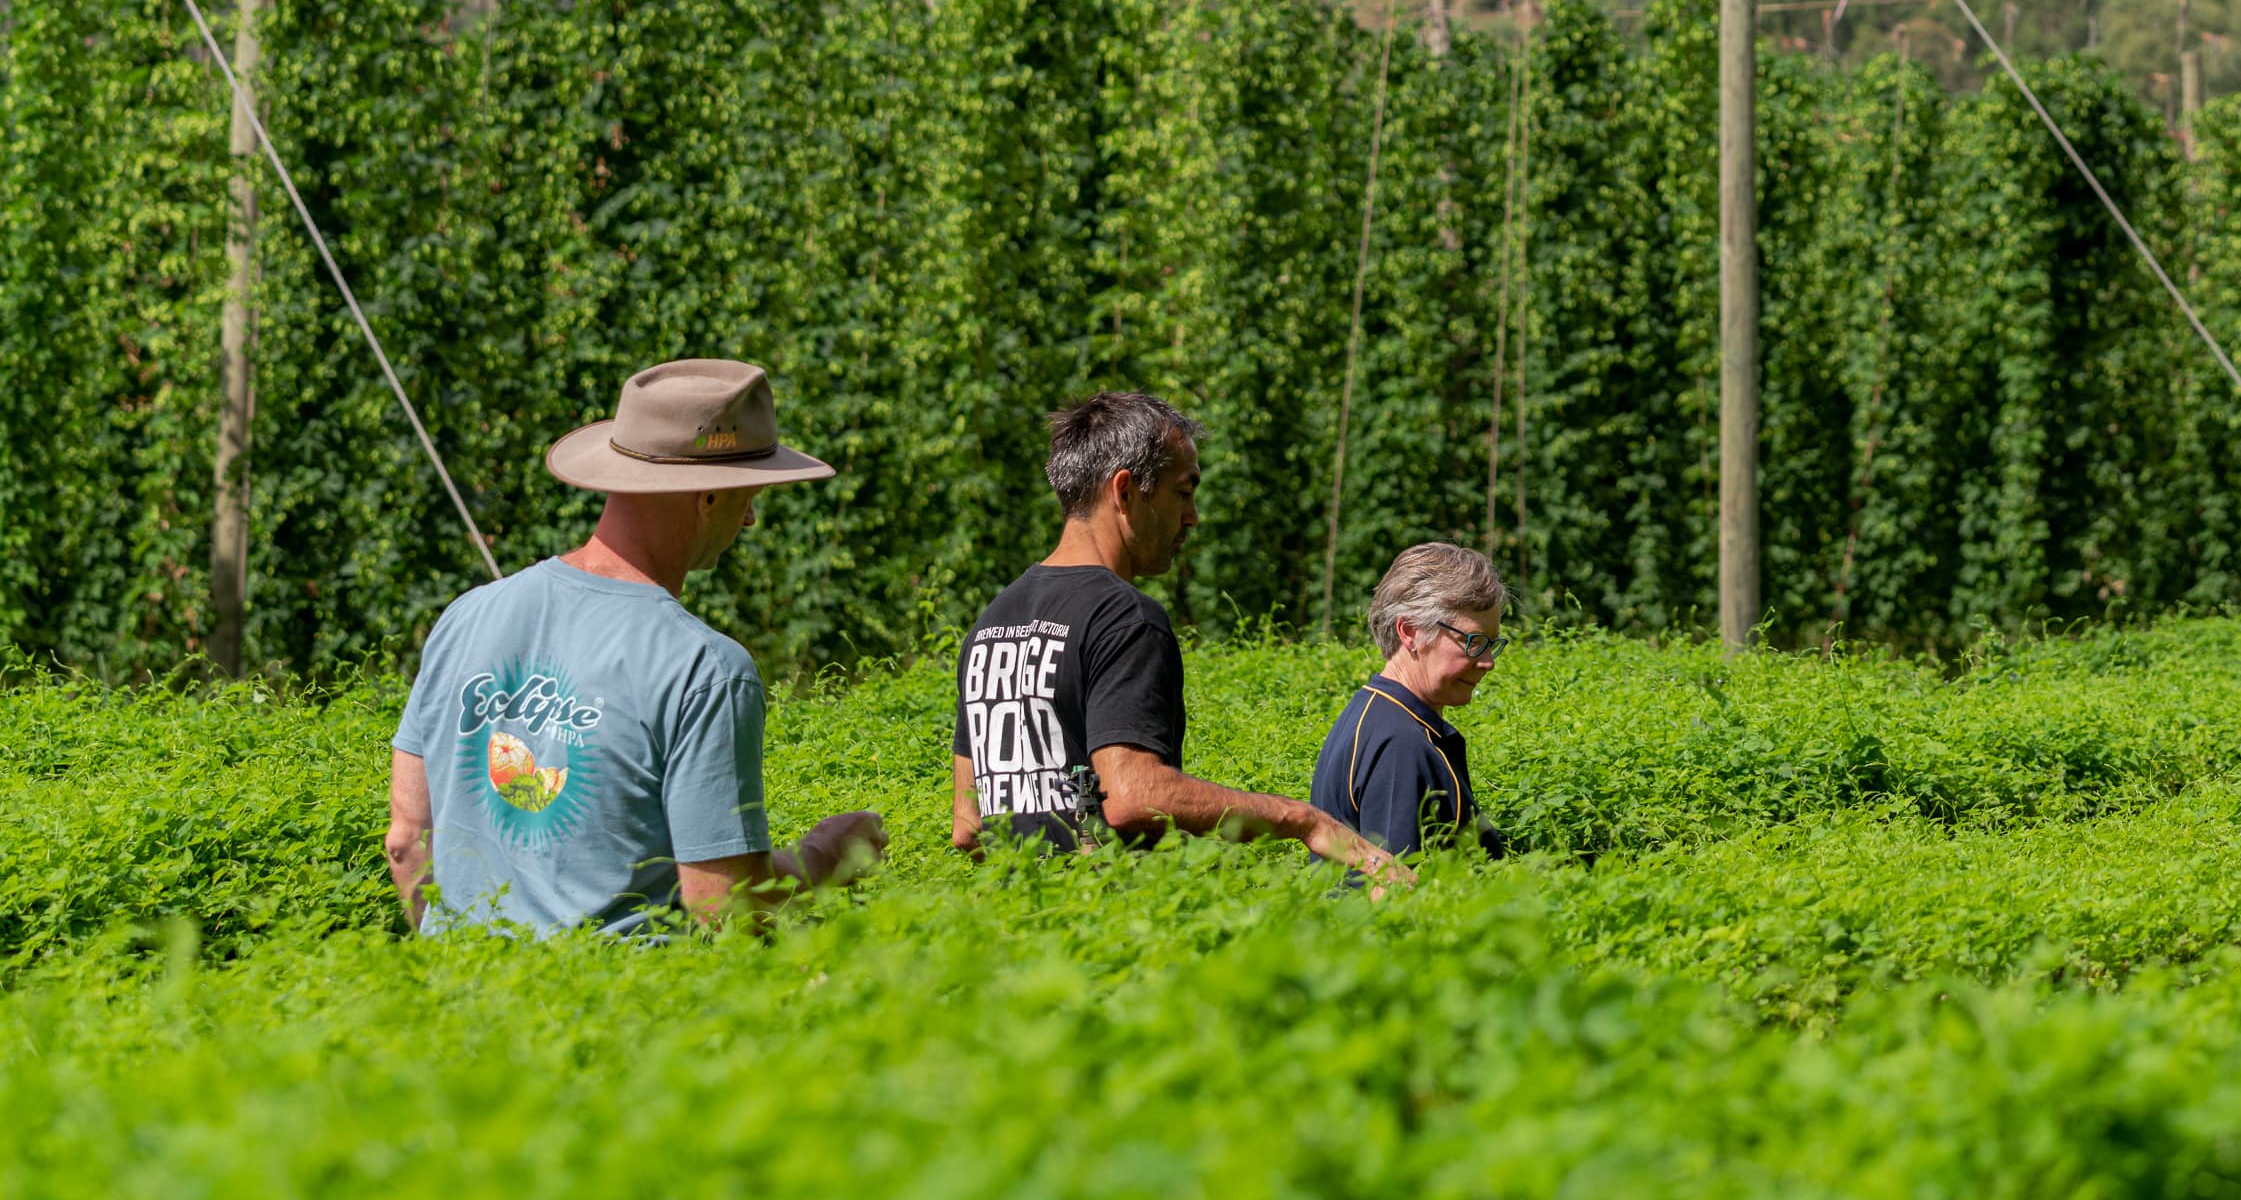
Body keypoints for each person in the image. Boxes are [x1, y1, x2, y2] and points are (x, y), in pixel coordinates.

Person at [384, 359, 889, 936]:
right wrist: (826, 855)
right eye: (746, 495)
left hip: (450, 1007)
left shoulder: (465, 616)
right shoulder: (705, 668)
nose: (749, 519)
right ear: (705, 496)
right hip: (607, 1013)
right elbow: (722, 905)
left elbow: (406, 842)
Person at [951, 390, 1390, 874]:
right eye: (1183, 492)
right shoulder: (1123, 617)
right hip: (1108, 932)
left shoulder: (991, 625)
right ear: (1125, 492)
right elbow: (1133, 795)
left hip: (1010, 931)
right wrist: (1304, 820)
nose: (1192, 516)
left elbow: (969, 825)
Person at [1308, 542, 1509, 859]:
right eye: (1473, 641)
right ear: (1410, 631)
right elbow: (1395, 893)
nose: (1488, 662)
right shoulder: (1400, 744)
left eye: (1492, 644)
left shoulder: (1376, 713)